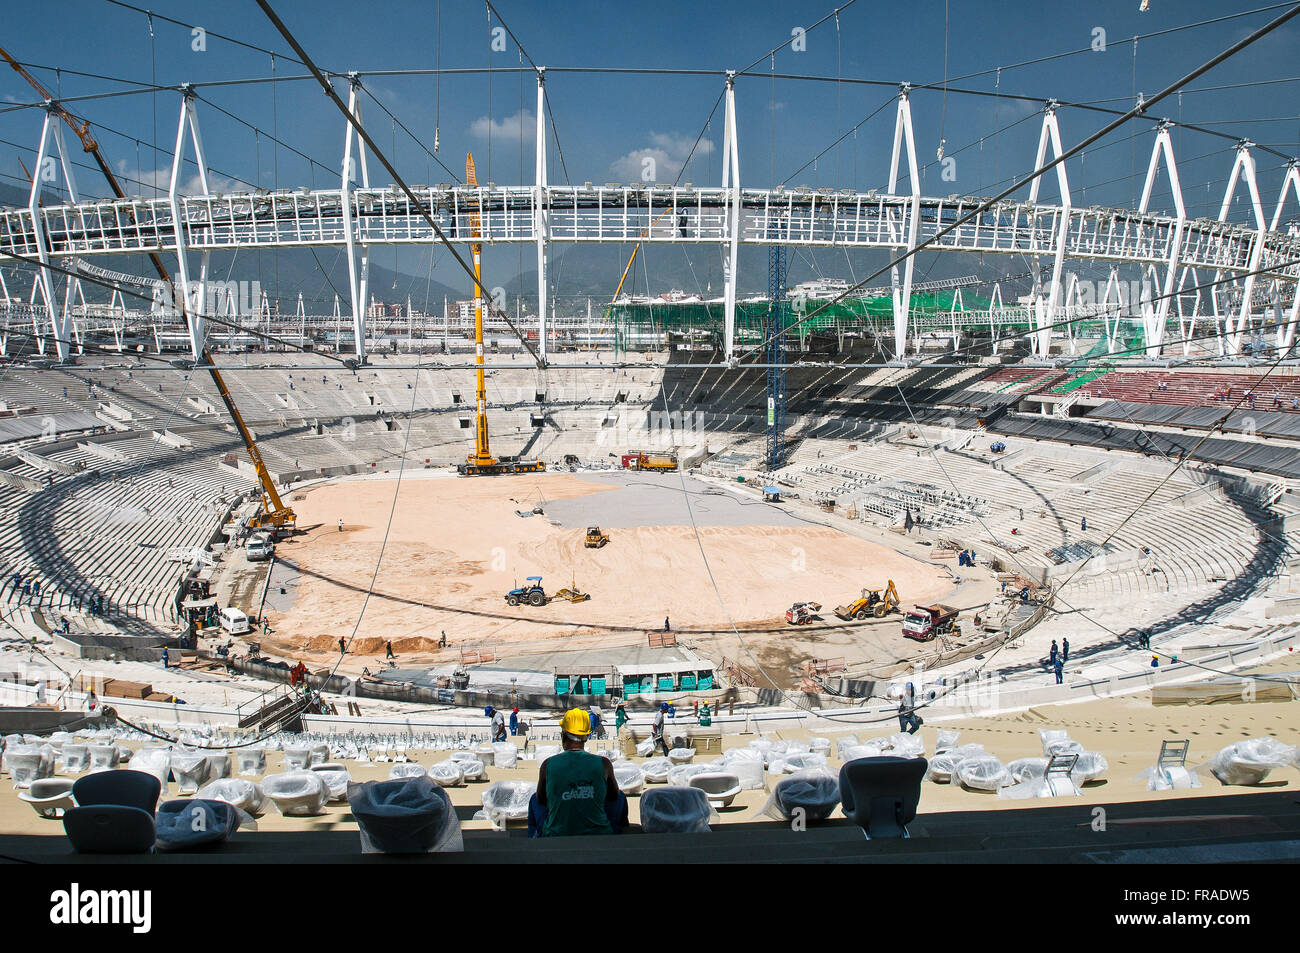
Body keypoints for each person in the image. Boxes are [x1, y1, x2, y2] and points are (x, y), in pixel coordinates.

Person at [530, 708, 625, 837]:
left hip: (557, 834)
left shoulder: (548, 765)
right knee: (621, 797)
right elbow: (614, 796)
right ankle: (620, 832)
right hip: (599, 833)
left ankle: (534, 840)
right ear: (586, 736)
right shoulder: (604, 764)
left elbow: (541, 798)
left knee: (534, 800)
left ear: (563, 734)